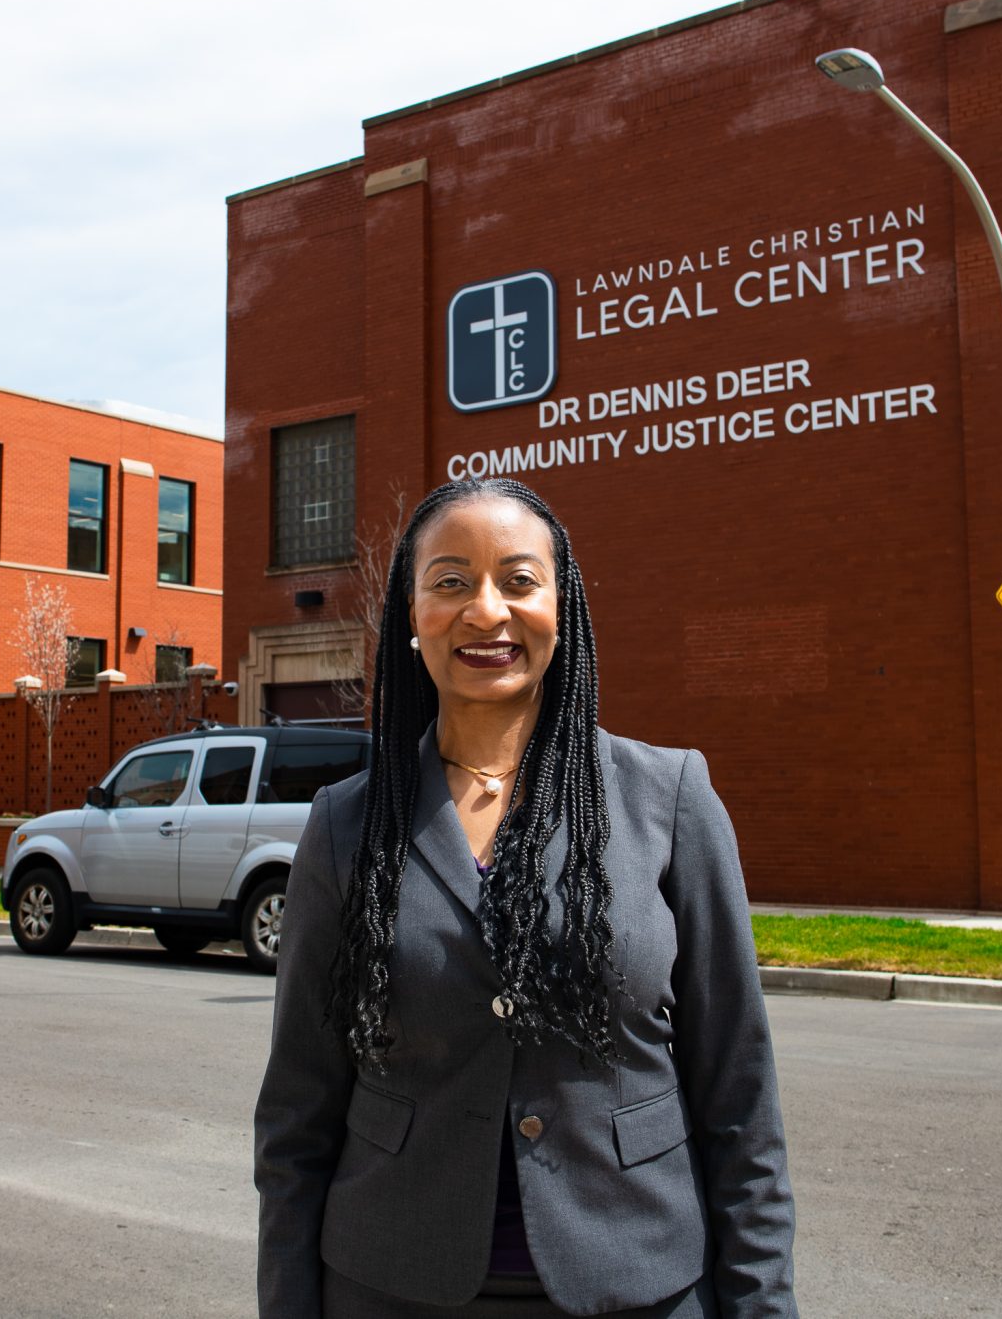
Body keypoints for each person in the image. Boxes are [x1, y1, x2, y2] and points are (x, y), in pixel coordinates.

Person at [254, 477, 796, 1318]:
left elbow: (740, 1102)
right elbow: (298, 1113)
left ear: (562, 605)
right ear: (410, 614)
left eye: (517, 579)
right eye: (450, 581)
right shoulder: (345, 824)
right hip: (390, 1281)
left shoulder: (670, 797)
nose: (486, 610)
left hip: (637, 1280)